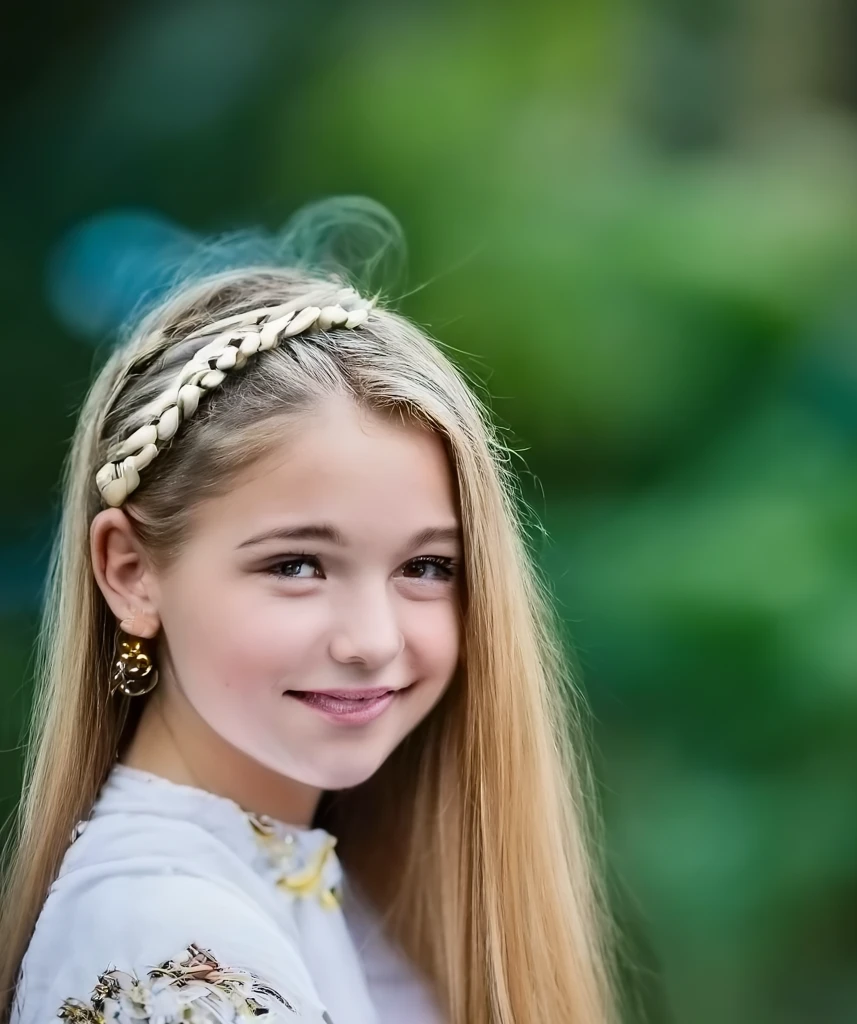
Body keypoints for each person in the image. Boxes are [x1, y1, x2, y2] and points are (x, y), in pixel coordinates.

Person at [0, 203, 620, 1023]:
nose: (372, 640)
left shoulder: (345, 900)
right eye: (297, 565)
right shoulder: (172, 949)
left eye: (427, 566)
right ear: (131, 573)